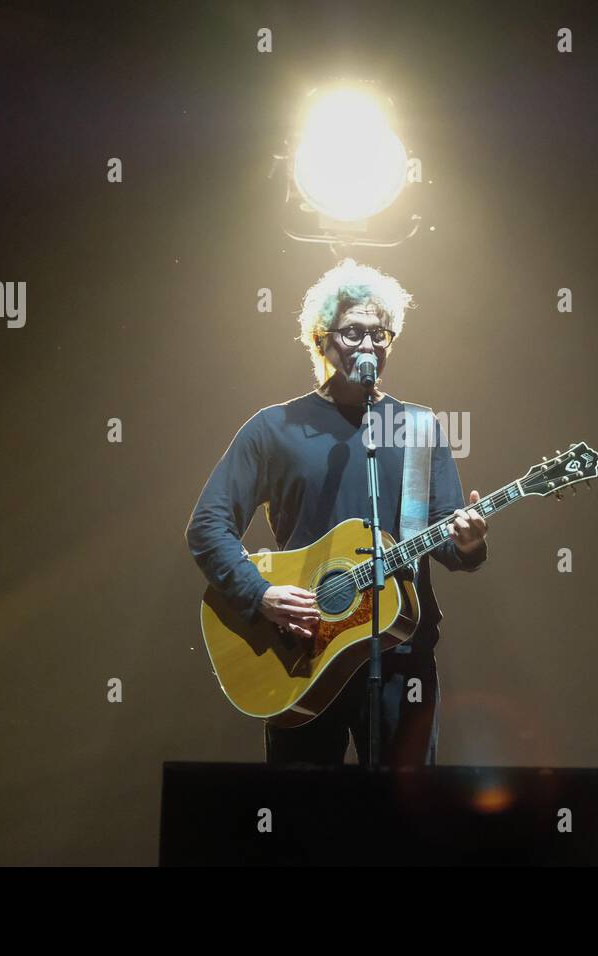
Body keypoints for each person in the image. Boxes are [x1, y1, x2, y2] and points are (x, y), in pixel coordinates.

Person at [186, 258, 488, 767]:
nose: (369, 346)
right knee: (303, 828)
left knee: (401, 828)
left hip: (399, 658)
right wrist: (258, 593)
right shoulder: (273, 428)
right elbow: (208, 526)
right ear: (321, 339)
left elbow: (448, 542)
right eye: (353, 333)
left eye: (379, 334)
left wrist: (469, 542)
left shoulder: (419, 427)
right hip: (302, 649)